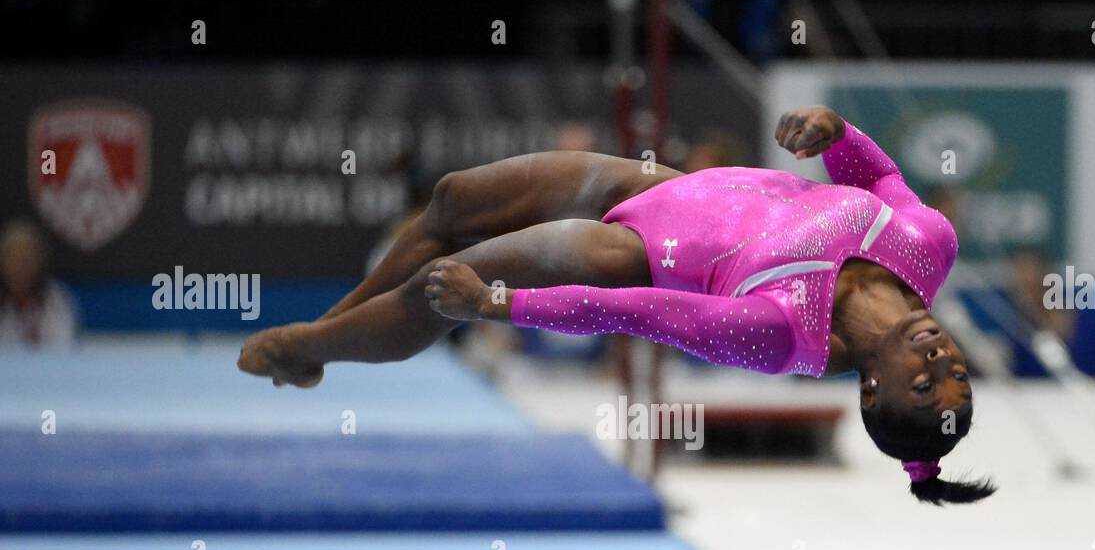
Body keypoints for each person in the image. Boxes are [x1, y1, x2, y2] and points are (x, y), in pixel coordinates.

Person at [238, 105, 995, 505]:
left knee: (447, 282)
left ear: (872, 389)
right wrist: (838, 131)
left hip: (640, 253)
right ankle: (318, 337)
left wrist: (496, 302)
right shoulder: (929, 247)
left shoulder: (781, 334)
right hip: (663, 184)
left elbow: (631, 312)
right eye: (956, 369)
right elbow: (885, 181)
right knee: (450, 200)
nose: (940, 357)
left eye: (925, 384)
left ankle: (317, 346)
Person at [0, 219, 79, 347]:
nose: (18, 267)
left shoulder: (56, 300)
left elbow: (63, 348)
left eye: (25, 260)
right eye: (12, 259)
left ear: (38, 262)